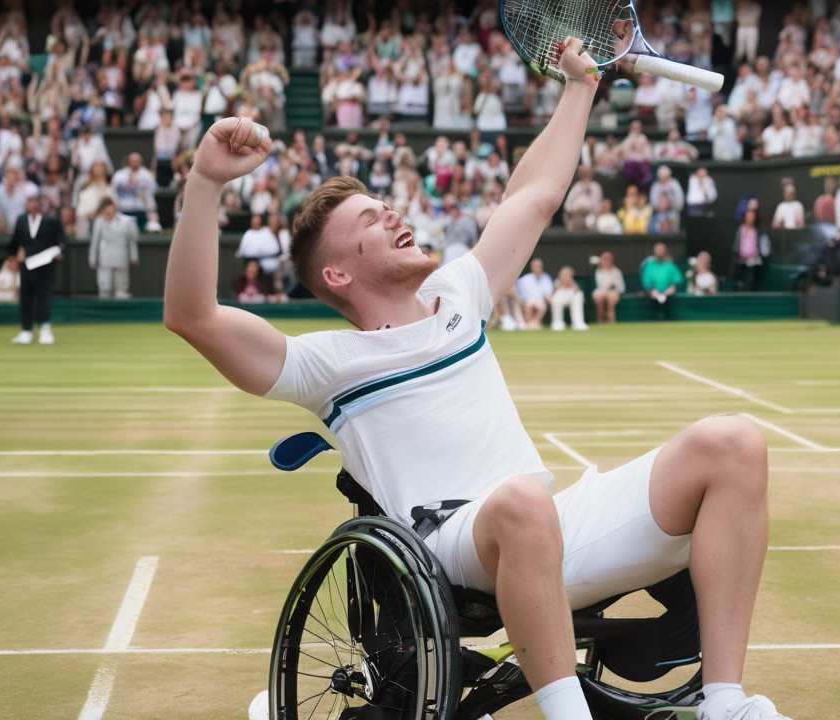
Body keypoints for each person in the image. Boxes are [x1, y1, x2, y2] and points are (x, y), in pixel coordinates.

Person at [165, 39, 789, 720]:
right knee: (522, 504)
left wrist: (580, 85)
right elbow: (192, 316)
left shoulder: (460, 292)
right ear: (338, 275)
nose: (393, 214)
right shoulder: (326, 363)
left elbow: (536, 193)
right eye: (371, 220)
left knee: (733, 442)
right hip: (453, 548)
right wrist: (205, 182)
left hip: (550, 526)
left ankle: (725, 704)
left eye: (385, 205)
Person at [6, 194, 66, 345]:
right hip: (26, 265)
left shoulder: (50, 221)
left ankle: (45, 329)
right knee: (25, 297)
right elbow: (15, 241)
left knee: (44, 297)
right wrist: (12, 255)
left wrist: (59, 251)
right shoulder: (21, 220)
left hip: (46, 266)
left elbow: (62, 240)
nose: (32, 205)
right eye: (30, 201)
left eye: (35, 202)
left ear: (41, 204)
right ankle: (26, 330)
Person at [88, 198, 140, 299]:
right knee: (105, 287)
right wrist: (92, 259)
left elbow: (132, 241)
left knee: (121, 288)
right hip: (104, 260)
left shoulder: (126, 222)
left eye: (110, 208)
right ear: (102, 210)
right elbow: (95, 242)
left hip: (121, 259)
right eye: (106, 209)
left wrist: (134, 257)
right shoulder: (98, 222)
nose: (109, 211)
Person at [640, 241, 684, 319]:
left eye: (662, 249)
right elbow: (646, 282)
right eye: (658, 249)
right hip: (652, 298)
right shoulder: (649, 265)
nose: (660, 251)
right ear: (654, 251)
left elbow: (678, 280)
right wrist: (652, 291)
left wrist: (671, 289)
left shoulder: (670, 264)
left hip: (669, 299)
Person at [730, 207, 769, 291]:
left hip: (754, 260)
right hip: (741, 260)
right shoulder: (741, 229)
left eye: (752, 216)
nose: (750, 218)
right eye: (748, 216)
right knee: (741, 280)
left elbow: (761, 246)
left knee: (751, 280)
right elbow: (737, 245)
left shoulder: (757, 230)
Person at [516, 257, 554, 330]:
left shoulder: (546, 278)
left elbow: (549, 294)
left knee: (542, 306)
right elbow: (521, 296)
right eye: (536, 266)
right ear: (532, 267)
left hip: (541, 301)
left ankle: (535, 323)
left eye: (539, 266)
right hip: (527, 301)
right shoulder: (525, 279)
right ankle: (528, 322)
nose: (538, 268)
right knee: (529, 304)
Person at [548, 266, 588, 331]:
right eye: (563, 275)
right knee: (555, 300)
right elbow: (552, 295)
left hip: (571, 299)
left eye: (566, 275)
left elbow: (577, 291)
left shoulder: (573, 283)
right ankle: (557, 322)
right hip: (560, 299)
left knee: (578, 296)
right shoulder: (557, 282)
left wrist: (571, 284)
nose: (564, 277)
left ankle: (578, 322)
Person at [592, 251, 624, 324]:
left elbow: (621, 288)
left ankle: (611, 319)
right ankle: (600, 319)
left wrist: (611, 288)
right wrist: (606, 290)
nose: (606, 261)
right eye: (605, 259)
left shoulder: (616, 271)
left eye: (608, 259)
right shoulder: (599, 271)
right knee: (598, 295)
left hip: (613, 292)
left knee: (611, 296)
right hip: (602, 292)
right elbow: (600, 286)